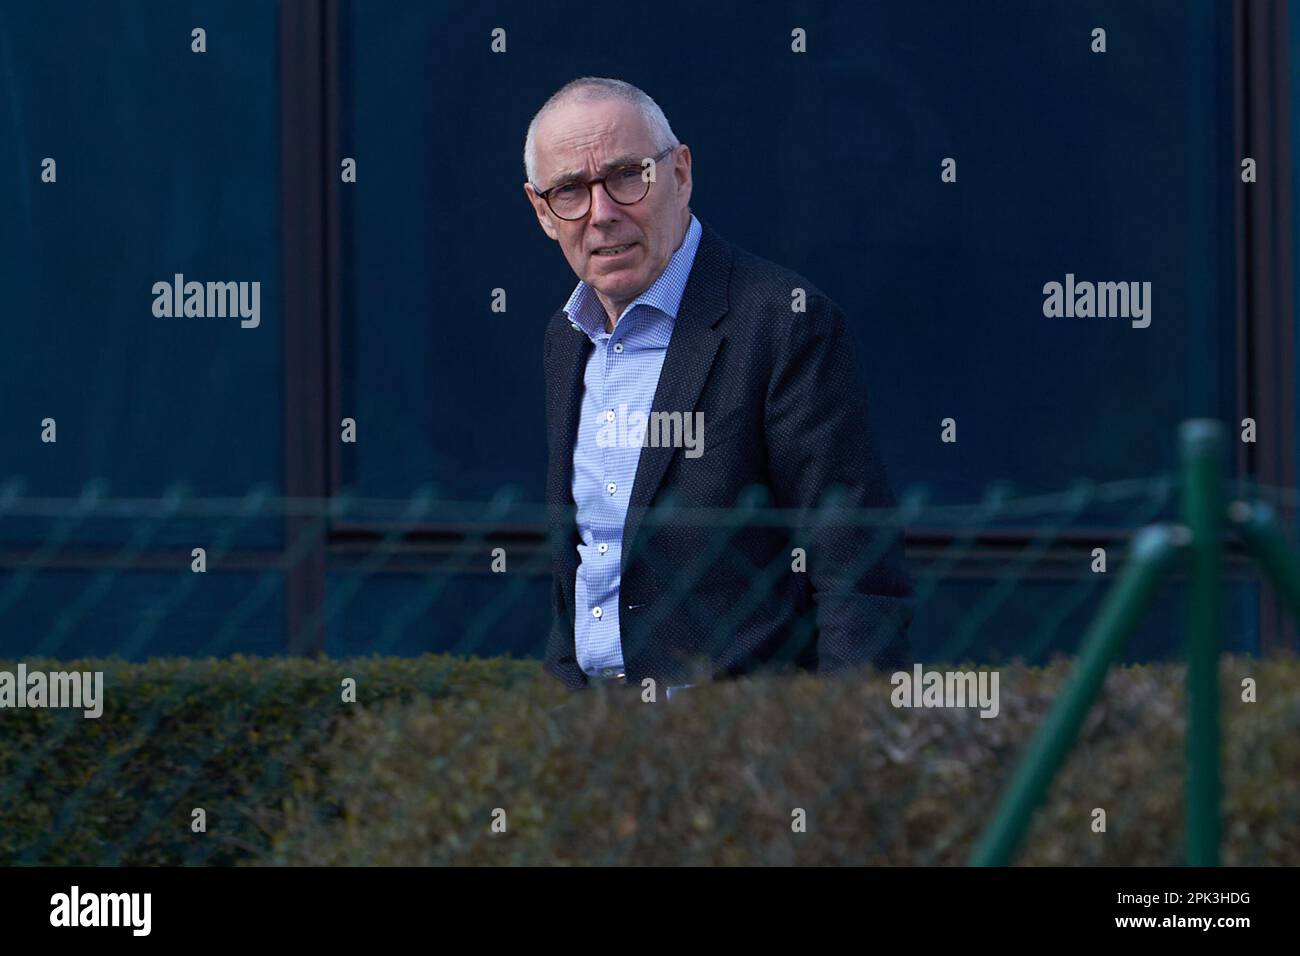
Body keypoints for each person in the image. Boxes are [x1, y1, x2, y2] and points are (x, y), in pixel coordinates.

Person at [524, 77, 913, 693]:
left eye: (627, 176)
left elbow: (856, 573)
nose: (601, 213)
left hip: (738, 749)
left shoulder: (785, 321)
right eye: (570, 190)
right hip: (591, 742)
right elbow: (580, 564)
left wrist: (844, 746)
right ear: (543, 212)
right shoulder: (565, 336)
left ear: (679, 173)